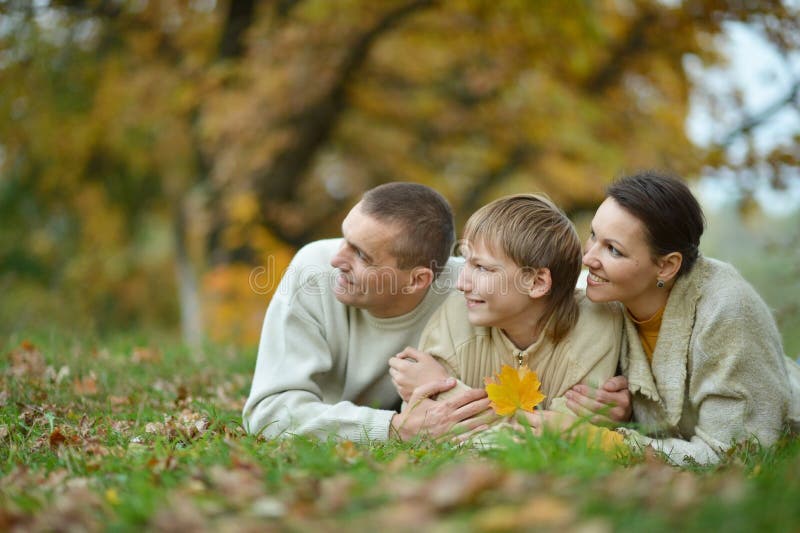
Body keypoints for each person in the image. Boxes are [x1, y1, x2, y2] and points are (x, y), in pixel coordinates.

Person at [535, 172, 800, 464]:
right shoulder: (597, 293)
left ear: (666, 266)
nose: (588, 258)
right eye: (594, 235)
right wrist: (623, 413)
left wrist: (599, 440)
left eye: (613, 250)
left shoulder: (727, 309)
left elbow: (735, 454)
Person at [242, 182, 490, 443]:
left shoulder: (472, 291)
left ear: (417, 280)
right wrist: (393, 428)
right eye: (344, 238)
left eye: (361, 254)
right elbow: (267, 413)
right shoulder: (311, 271)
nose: (336, 260)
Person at [388, 194, 624, 437]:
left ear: (535, 281)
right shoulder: (457, 313)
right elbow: (423, 424)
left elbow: (564, 436)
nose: (461, 283)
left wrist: (450, 391)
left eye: (482, 268)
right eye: (467, 263)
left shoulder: (596, 323)